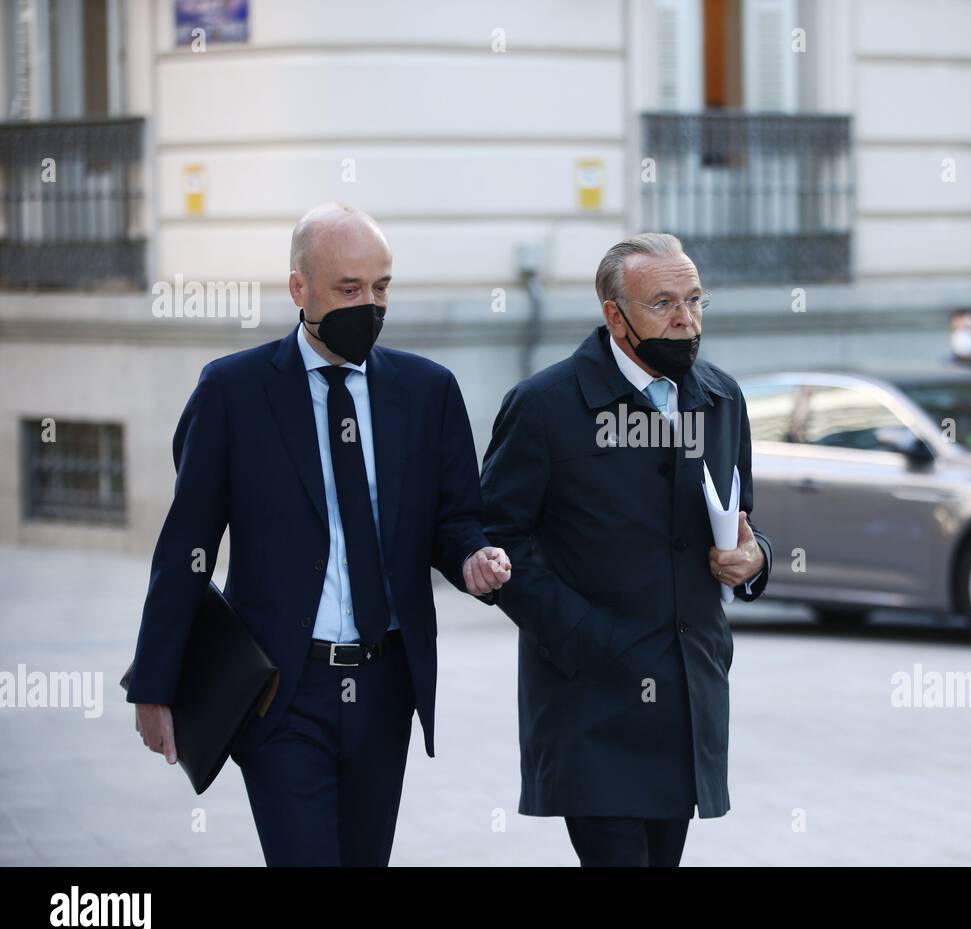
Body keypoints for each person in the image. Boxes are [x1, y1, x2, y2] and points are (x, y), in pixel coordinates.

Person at [127, 202, 511, 865]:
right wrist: (156, 683)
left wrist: (472, 557)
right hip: (280, 688)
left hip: (386, 684)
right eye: (349, 289)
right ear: (299, 288)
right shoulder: (233, 392)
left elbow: (455, 519)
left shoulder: (427, 392)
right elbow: (187, 547)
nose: (370, 304)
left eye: (382, 287)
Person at [480, 232, 773, 866]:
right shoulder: (543, 407)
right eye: (663, 303)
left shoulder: (722, 399)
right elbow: (498, 542)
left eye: (694, 300)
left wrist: (756, 562)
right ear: (615, 315)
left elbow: (745, 522)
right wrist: (584, 636)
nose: (685, 319)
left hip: (687, 699)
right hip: (593, 703)